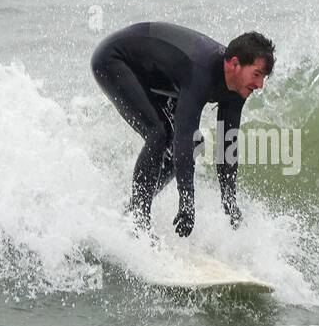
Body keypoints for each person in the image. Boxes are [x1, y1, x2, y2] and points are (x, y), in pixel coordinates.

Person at [91, 22, 274, 236]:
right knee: (159, 134)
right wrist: (187, 200)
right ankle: (138, 220)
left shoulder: (237, 88)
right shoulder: (201, 72)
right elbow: (183, 136)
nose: (260, 84)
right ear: (235, 63)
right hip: (113, 60)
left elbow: (227, 147)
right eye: (257, 74)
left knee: (193, 144)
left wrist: (229, 202)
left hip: (156, 75)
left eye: (263, 77)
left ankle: (132, 211)